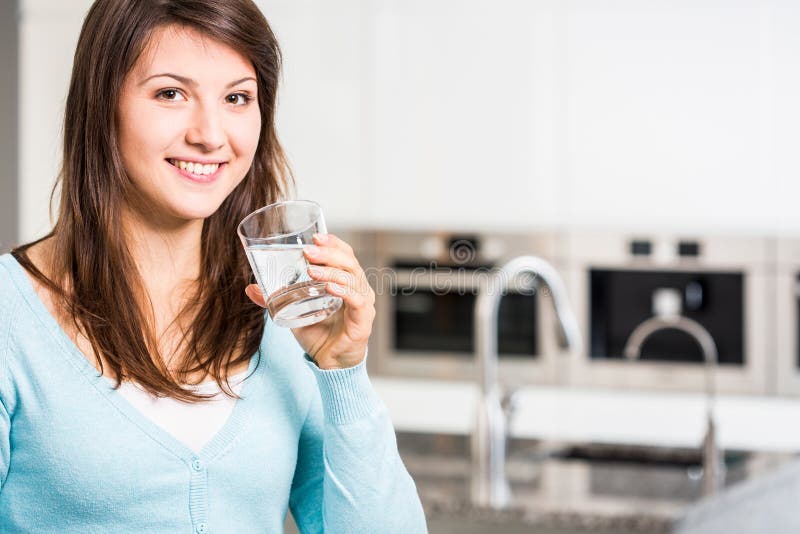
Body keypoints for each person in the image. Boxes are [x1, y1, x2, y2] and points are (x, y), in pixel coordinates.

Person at [0, 0, 427, 532]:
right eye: (170, 93)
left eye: (236, 98)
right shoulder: (10, 318)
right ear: (101, 104)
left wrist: (343, 370)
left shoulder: (280, 320)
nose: (210, 134)